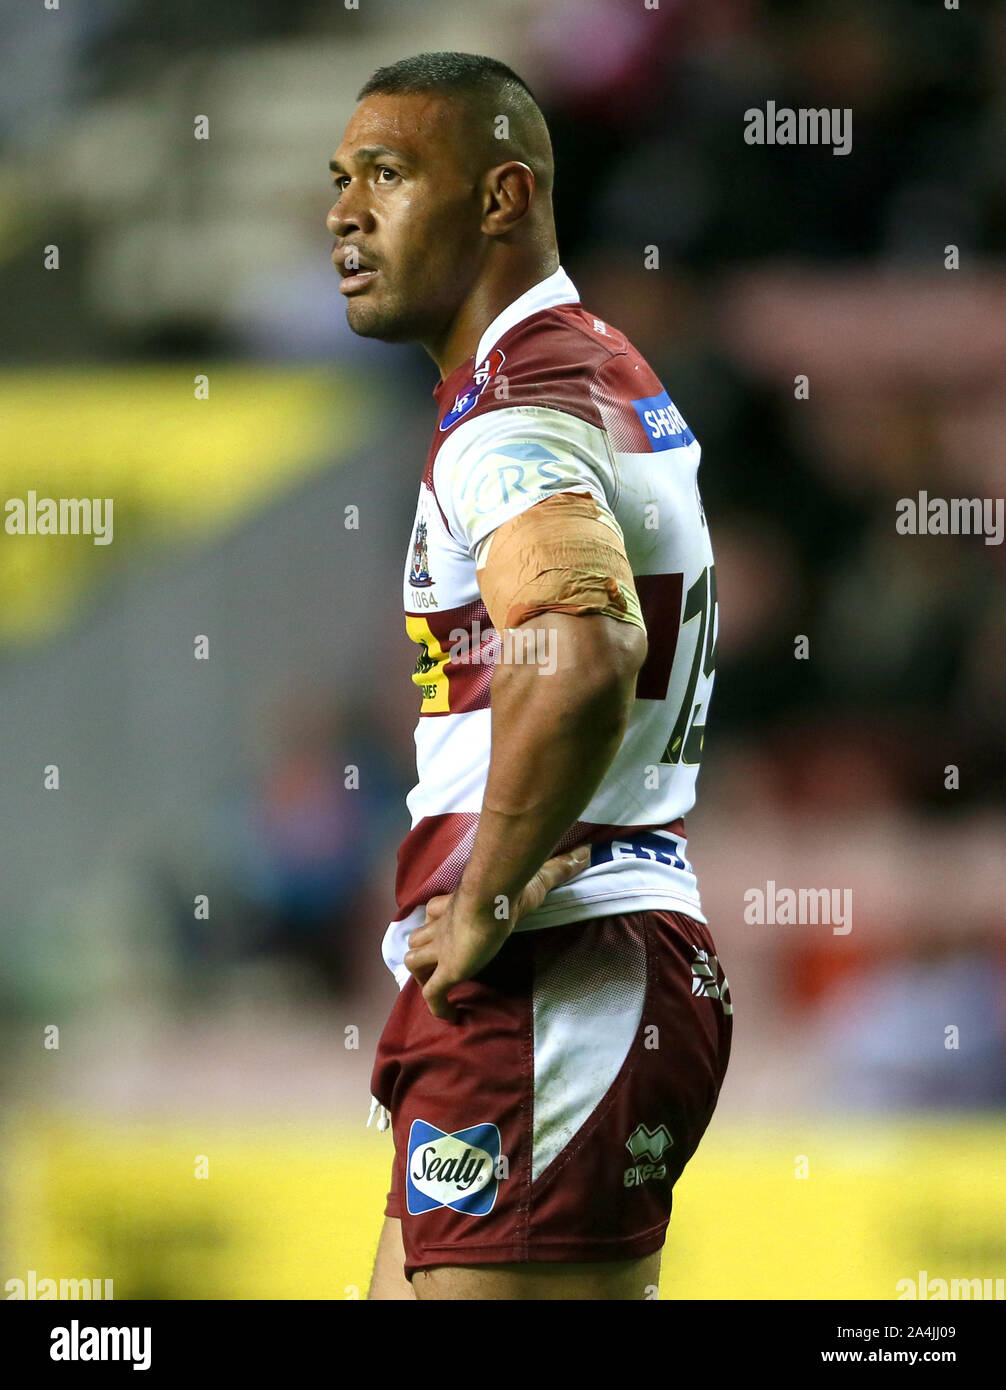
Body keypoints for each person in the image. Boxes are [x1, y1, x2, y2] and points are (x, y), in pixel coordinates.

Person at [327, 51, 732, 1301]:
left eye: (387, 175)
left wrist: (490, 895)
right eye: (340, 180)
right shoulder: (589, 367)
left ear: (502, 195)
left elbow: (583, 644)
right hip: (565, 972)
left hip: (549, 972)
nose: (343, 213)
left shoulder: (509, 415)